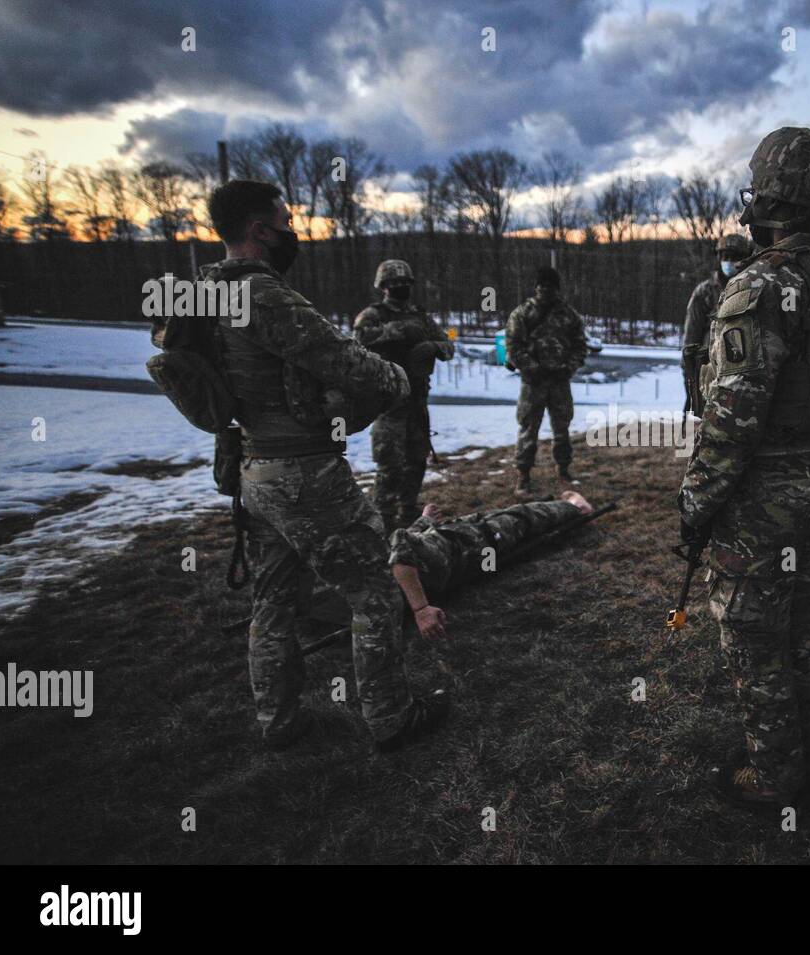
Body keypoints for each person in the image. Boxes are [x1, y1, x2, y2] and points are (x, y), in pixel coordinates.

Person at [204, 179, 446, 753]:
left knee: (273, 599)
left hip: (253, 467)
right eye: (286, 221)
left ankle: (279, 719)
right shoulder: (264, 295)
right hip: (303, 475)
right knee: (376, 594)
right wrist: (396, 379)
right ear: (261, 230)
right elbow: (344, 362)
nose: (294, 231)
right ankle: (390, 716)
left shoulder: (206, 295)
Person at [678, 126, 810, 810]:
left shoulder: (761, 284)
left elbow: (730, 422)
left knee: (753, 636)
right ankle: (804, 756)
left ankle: (775, 779)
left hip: (766, 494)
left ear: (772, 193)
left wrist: (696, 499)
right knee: (797, 630)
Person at [388, 491, 597, 639]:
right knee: (520, 517)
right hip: (474, 545)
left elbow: (402, 543)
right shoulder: (384, 585)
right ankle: (576, 507)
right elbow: (401, 548)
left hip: (452, 537)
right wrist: (421, 608)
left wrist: (424, 521)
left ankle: (567, 507)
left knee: (506, 516)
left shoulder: (377, 582)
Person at [354, 259, 455, 529]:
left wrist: (432, 347)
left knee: (417, 460)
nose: (400, 287)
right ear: (383, 287)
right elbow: (358, 344)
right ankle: (383, 524)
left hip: (418, 401)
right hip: (389, 405)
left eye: (404, 283)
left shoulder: (420, 315)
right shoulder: (372, 316)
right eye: (394, 284)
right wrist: (397, 331)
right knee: (390, 467)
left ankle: (408, 513)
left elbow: (448, 344)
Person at [506, 266, 588, 496]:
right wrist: (532, 368)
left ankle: (563, 469)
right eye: (541, 285)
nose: (545, 289)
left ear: (557, 288)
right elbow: (512, 346)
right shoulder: (522, 314)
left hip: (560, 382)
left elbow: (580, 346)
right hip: (533, 383)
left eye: (550, 285)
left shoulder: (569, 315)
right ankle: (523, 475)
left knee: (562, 427)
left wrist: (568, 368)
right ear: (535, 287)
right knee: (528, 429)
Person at [682, 233, 753, 417]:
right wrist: (690, 387)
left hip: (745, 378)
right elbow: (690, 343)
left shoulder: (755, 289)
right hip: (711, 377)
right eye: (725, 256)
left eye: (735, 256)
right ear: (718, 258)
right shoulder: (704, 293)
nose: (729, 261)